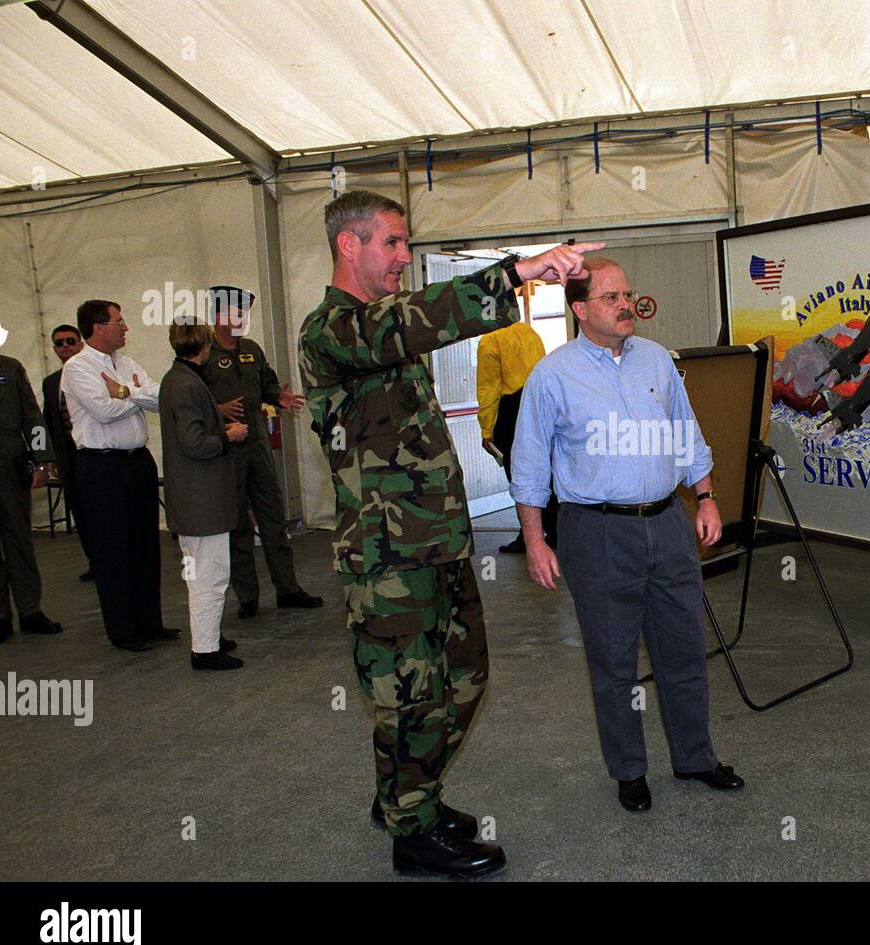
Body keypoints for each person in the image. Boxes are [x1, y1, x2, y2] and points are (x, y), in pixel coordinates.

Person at [299, 188, 600, 878]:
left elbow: (412, 328)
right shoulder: (333, 330)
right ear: (350, 245)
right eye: (393, 244)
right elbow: (416, 321)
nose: (405, 257)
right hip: (386, 559)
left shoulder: (384, 327)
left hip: (434, 544)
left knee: (461, 678)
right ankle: (413, 831)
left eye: (406, 244)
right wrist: (516, 272)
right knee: (411, 693)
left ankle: (409, 796)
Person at [511, 256, 744, 813]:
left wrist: (706, 496)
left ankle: (694, 757)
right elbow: (528, 462)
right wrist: (537, 539)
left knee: (684, 651)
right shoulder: (553, 375)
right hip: (596, 532)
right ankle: (629, 771)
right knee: (614, 662)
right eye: (611, 297)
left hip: (666, 524)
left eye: (628, 295)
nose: (626, 305)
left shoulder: (658, 361)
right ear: (580, 309)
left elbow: (686, 433)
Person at [202, 285, 323, 619]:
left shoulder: (251, 350)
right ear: (218, 316)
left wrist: (277, 397)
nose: (244, 319)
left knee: (273, 517)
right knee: (237, 523)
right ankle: (247, 595)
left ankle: (288, 588)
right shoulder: (203, 353)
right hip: (227, 449)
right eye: (238, 312)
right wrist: (218, 408)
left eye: (247, 313)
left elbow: (268, 384)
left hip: (257, 445)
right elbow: (188, 399)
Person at [63, 300, 177, 652]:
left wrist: (126, 391)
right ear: (98, 327)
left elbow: (161, 396)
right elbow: (103, 410)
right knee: (113, 547)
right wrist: (137, 395)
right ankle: (123, 629)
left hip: (137, 462)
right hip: (102, 466)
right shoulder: (78, 367)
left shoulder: (125, 364)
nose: (125, 327)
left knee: (145, 543)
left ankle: (149, 621)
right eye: (119, 321)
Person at [160, 316, 249, 671]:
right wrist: (230, 435)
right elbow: (195, 443)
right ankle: (205, 649)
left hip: (194, 497)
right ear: (204, 346)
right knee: (209, 576)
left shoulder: (177, 380)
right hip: (201, 498)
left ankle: (208, 635)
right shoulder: (186, 385)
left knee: (205, 573)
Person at [0, 346, 63, 646]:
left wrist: (44, 459)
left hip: (8, 463)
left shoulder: (9, 368)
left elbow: (32, 417)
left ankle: (30, 609)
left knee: (19, 537)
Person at [477, 317, 557, 553]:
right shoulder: (529, 333)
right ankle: (555, 532)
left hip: (510, 411)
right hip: (538, 406)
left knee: (519, 477)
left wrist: (487, 429)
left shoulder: (489, 341)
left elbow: (488, 388)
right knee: (546, 473)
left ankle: (529, 536)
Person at [42, 324, 94, 581]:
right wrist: (46, 457)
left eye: (70, 341)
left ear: (80, 344)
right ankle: (94, 561)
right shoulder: (50, 383)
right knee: (81, 514)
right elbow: (45, 423)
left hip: (94, 455)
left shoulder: (95, 374)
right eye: (59, 343)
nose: (65, 346)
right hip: (68, 458)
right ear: (54, 349)